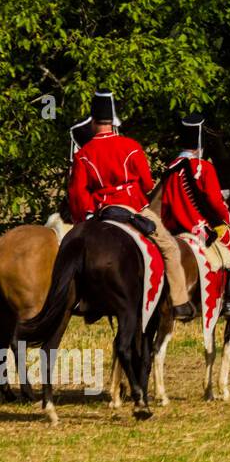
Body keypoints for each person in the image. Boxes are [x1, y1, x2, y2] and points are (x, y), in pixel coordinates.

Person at [67, 90, 195, 320]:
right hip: (133, 207)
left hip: (103, 212)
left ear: (94, 122)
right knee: (169, 247)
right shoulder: (130, 146)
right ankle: (180, 302)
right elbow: (146, 183)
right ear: (111, 121)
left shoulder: (83, 154)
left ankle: (82, 298)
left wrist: (83, 219)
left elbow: (78, 194)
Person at [155, 113, 230, 319]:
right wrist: (227, 219)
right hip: (202, 229)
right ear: (200, 140)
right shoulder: (203, 168)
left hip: (177, 229)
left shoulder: (170, 169)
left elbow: (165, 206)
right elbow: (216, 204)